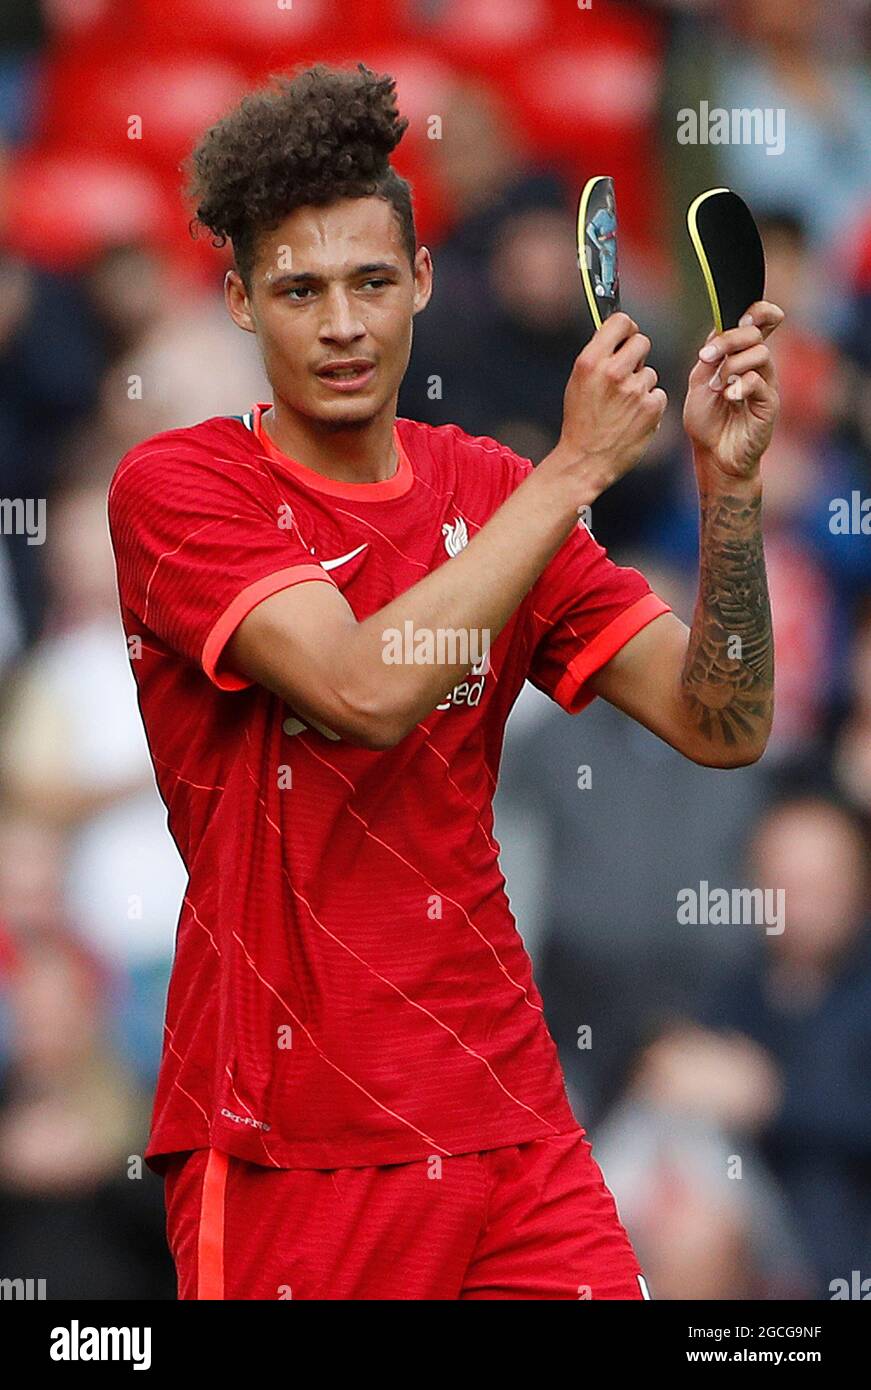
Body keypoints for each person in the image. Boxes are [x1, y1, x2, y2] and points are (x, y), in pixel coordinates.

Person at [107, 63, 783, 1301]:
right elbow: (361, 691)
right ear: (240, 301)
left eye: (371, 281)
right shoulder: (179, 486)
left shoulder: (489, 489)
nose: (344, 324)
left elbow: (721, 719)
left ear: (421, 281)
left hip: (508, 1114)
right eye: (299, 290)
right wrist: (572, 473)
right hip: (283, 1136)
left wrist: (727, 494)